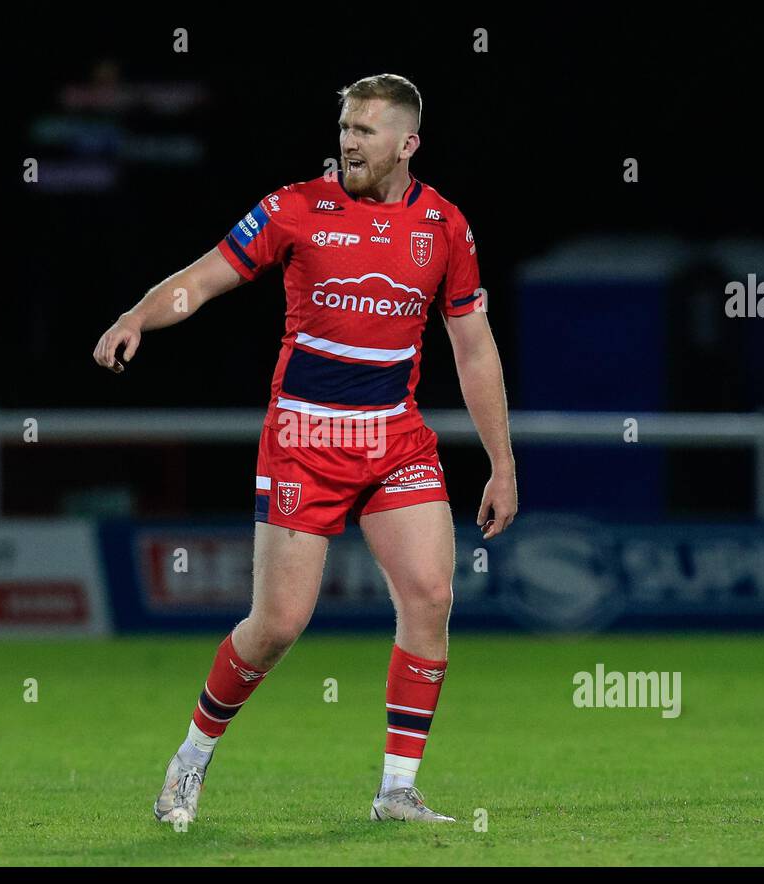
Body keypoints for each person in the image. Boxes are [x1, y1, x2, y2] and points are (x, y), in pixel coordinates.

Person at [93, 74, 517, 824]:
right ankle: (190, 758)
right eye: (346, 126)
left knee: (431, 595)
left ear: (407, 143)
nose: (349, 140)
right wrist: (139, 316)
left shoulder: (446, 226)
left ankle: (396, 791)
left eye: (367, 130)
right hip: (305, 438)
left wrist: (502, 463)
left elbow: (474, 348)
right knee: (279, 625)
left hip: (394, 436)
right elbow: (205, 277)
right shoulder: (297, 208)